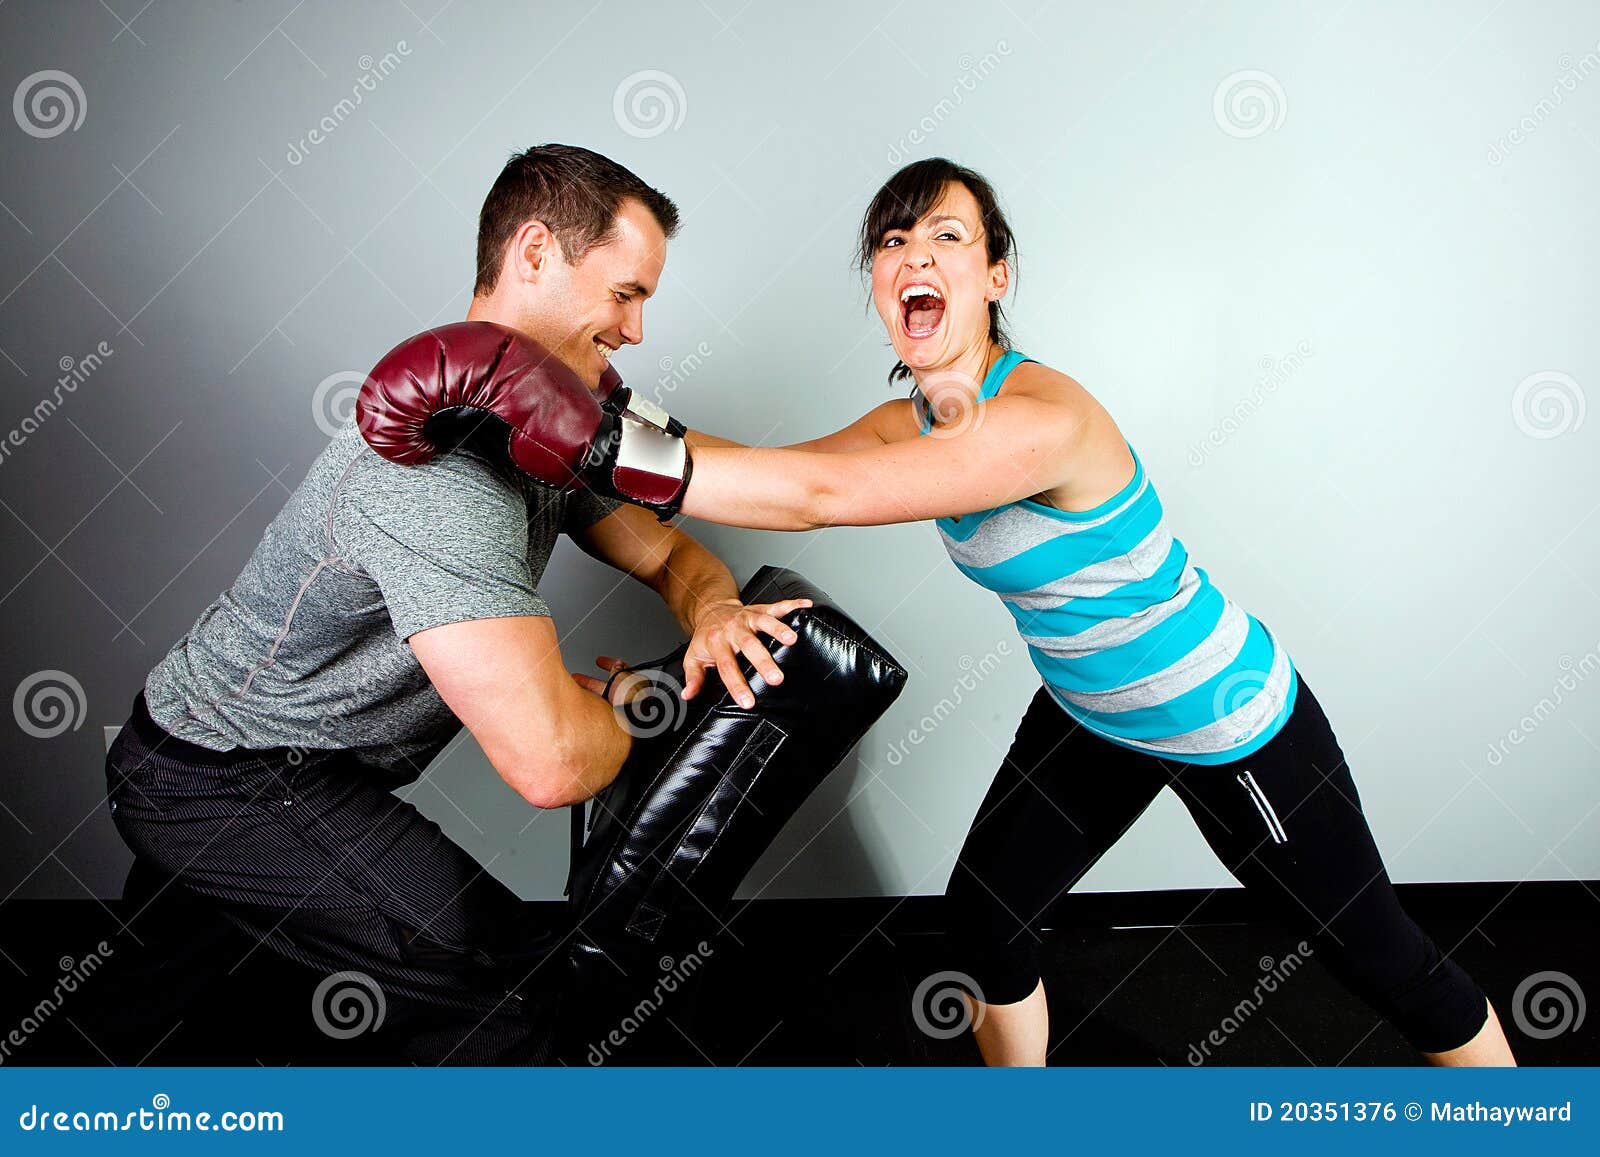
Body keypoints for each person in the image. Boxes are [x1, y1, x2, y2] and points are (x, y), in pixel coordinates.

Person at [656, 159, 1520, 1066]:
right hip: (1090, 713)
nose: (914, 255)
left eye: (948, 236)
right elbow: (768, 465)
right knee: (985, 921)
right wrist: (617, 417)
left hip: (1218, 715)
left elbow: (814, 496)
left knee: (1388, 963)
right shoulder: (908, 422)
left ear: (996, 277)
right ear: (878, 280)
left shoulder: (1042, 416)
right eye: (892, 240)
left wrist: (597, 448)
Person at [102, 144, 806, 1065]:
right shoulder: (437, 474)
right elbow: (552, 764)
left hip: (299, 765)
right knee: (502, 989)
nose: (636, 331)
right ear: (536, 252)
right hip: (222, 773)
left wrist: (710, 608)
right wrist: (639, 710)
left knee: (147, 1013)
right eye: (626, 293)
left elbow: (670, 548)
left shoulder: (550, 428)